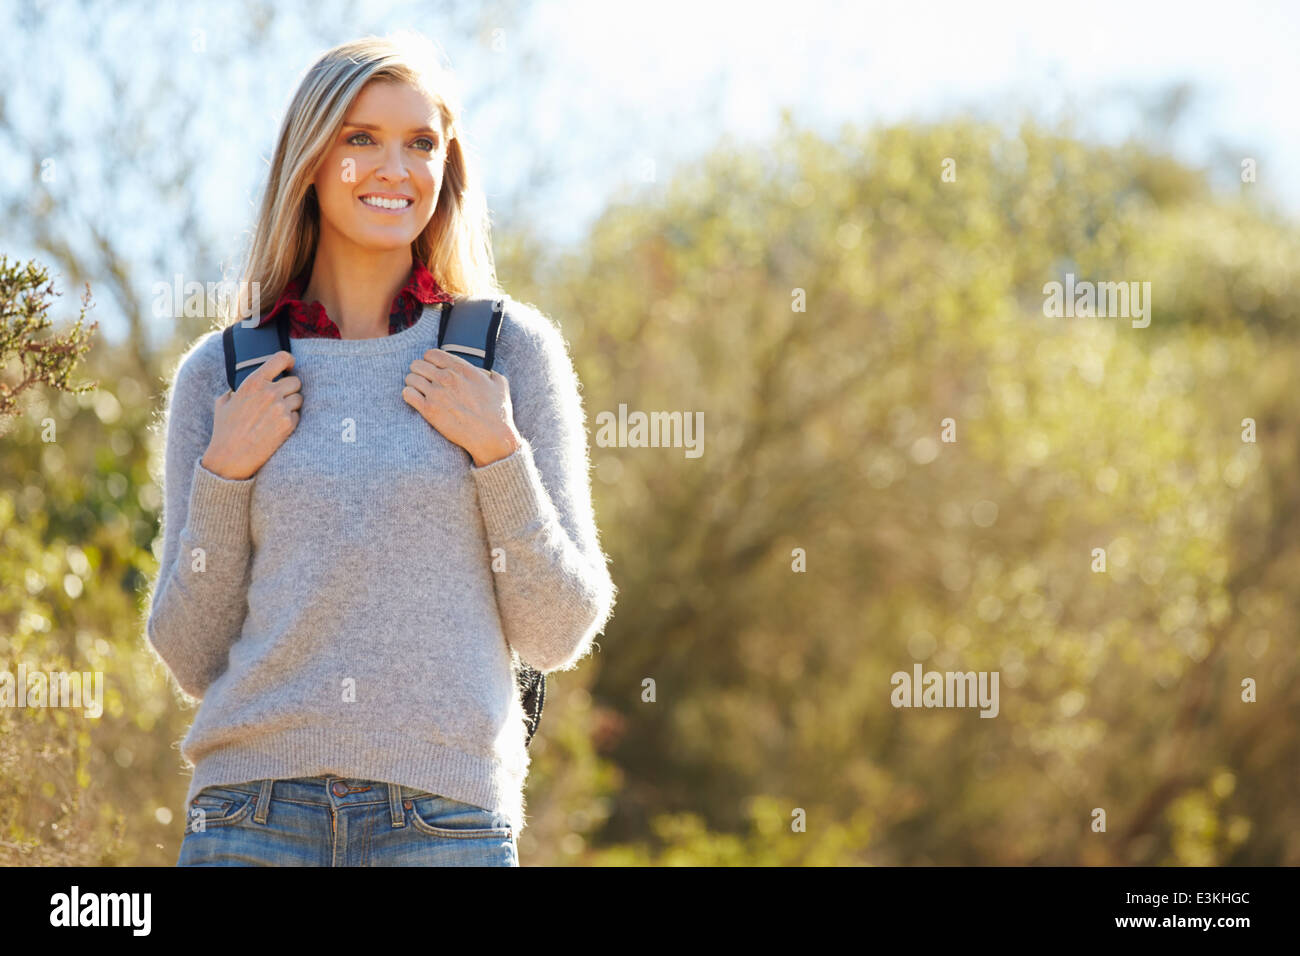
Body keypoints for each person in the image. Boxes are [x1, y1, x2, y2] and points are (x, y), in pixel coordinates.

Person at [145, 33, 617, 866]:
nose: (395, 168)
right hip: (249, 820)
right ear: (312, 162)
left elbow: (558, 629)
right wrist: (225, 475)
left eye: (421, 143)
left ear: (448, 168)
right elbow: (190, 654)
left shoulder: (509, 355)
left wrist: (499, 454)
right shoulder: (221, 375)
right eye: (361, 138)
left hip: (450, 825)